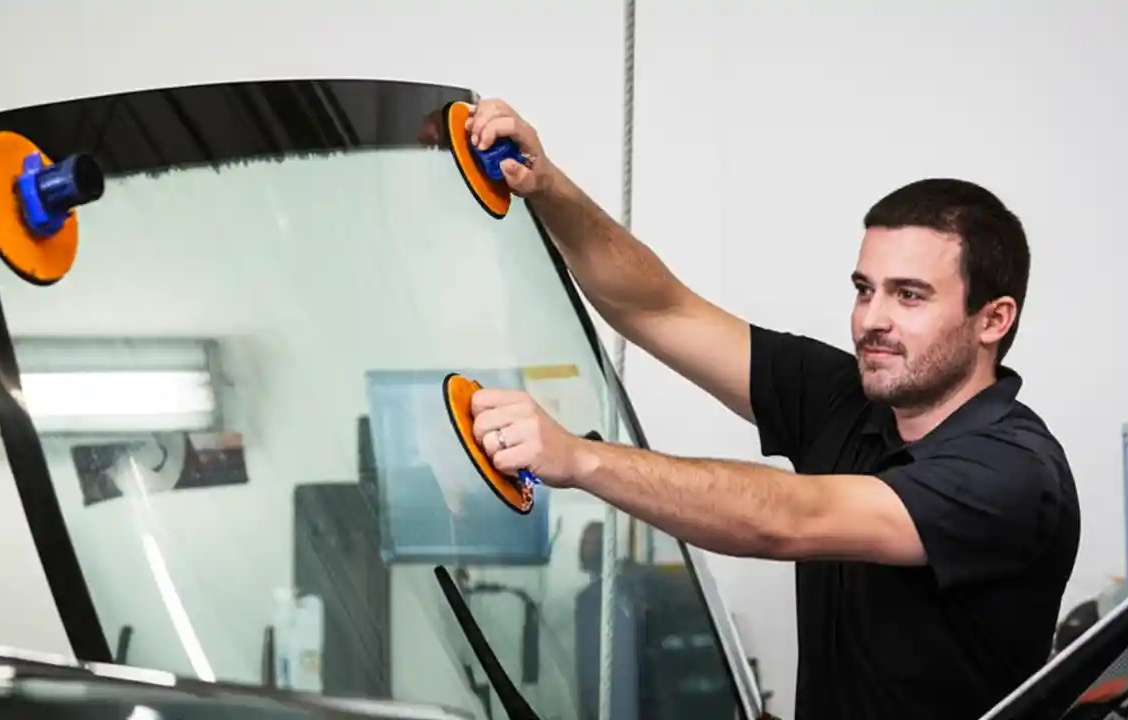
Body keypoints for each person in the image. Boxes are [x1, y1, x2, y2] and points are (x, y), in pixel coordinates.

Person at [461, 99, 1081, 720]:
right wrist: (547, 185)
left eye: (909, 297)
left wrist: (578, 459)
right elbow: (657, 308)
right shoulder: (849, 395)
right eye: (865, 290)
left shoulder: (1015, 472)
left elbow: (790, 518)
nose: (873, 321)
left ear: (993, 320)